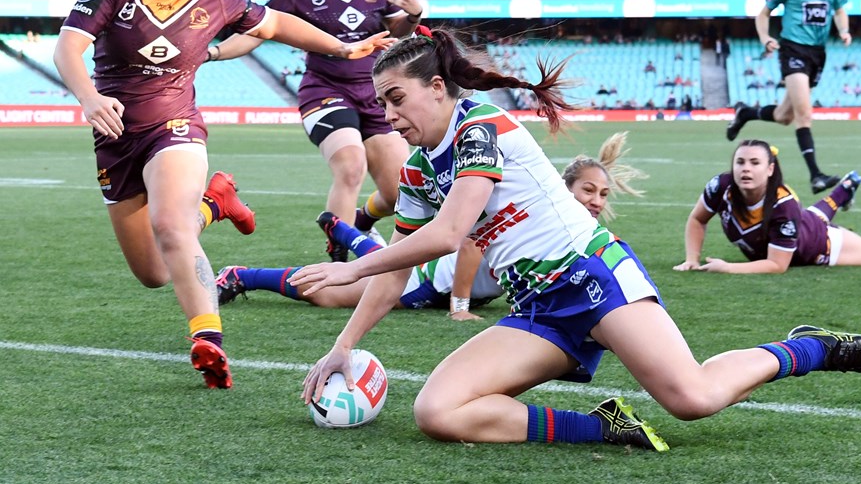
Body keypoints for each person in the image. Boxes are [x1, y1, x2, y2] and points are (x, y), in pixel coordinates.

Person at [292, 29, 861, 451]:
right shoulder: (421, 170)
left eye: (396, 99)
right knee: (437, 413)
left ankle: (816, 348)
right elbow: (396, 274)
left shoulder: (480, 125)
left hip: (594, 276)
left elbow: (450, 233)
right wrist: (344, 345)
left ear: (439, 89)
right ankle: (604, 427)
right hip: (540, 308)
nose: (389, 115)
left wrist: (351, 269)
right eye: (381, 103)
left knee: (691, 397)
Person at [52, 0, 392, 389]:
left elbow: (273, 24)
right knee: (153, 272)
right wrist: (90, 98)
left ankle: (207, 339)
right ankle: (217, 204)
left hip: (176, 126)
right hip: (114, 139)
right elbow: (67, 48)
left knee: (170, 225)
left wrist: (342, 48)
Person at [214, 132, 645, 320]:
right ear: (561, 187)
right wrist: (460, 305)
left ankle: (343, 231)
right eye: (588, 190)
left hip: (437, 270)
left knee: (382, 260)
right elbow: (475, 245)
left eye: (603, 195)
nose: (596, 200)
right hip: (432, 281)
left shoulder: (581, 237)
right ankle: (241, 275)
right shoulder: (537, 209)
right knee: (333, 295)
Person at [213, 0, 423, 261]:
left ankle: (362, 220)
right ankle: (339, 255)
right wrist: (214, 53)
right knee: (351, 164)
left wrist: (415, 14)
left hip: (377, 94)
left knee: (402, 193)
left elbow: (398, 30)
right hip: (325, 90)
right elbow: (258, 31)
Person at [674, 140, 861, 274]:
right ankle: (844, 190)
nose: (746, 168)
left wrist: (728, 267)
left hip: (819, 242)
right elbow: (698, 219)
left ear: (770, 168)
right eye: (740, 162)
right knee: (806, 219)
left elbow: (777, 265)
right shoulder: (721, 185)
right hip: (801, 223)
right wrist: (691, 259)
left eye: (755, 162)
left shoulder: (784, 205)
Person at [727, 0, 852, 194]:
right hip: (793, 50)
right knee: (804, 114)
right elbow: (763, 14)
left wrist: (843, 30)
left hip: (818, 53)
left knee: (785, 116)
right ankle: (816, 175)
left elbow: (840, 10)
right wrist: (765, 38)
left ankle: (746, 113)